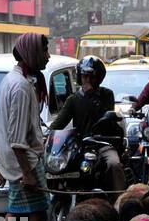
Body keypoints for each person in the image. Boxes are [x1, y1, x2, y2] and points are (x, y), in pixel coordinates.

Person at [0, 32, 52, 221]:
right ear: (32, 54)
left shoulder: (15, 80)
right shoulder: (20, 87)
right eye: (44, 51)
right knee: (37, 217)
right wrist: (26, 173)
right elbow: (16, 138)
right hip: (25, 162)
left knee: (16, 212)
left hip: (19, 161)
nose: (48, 56)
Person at [49, 55, 125, 192]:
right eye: (85, 76)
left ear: (99, 78)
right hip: (79, 146)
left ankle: (118, 202)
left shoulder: (107, 95)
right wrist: (47, 133)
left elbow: (105, 116)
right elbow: (59, 123)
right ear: (79, 77)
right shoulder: (73, 99)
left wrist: (92, 97)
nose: (88, 80)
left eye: (92, 77)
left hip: (103, 144)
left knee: (114, 164)